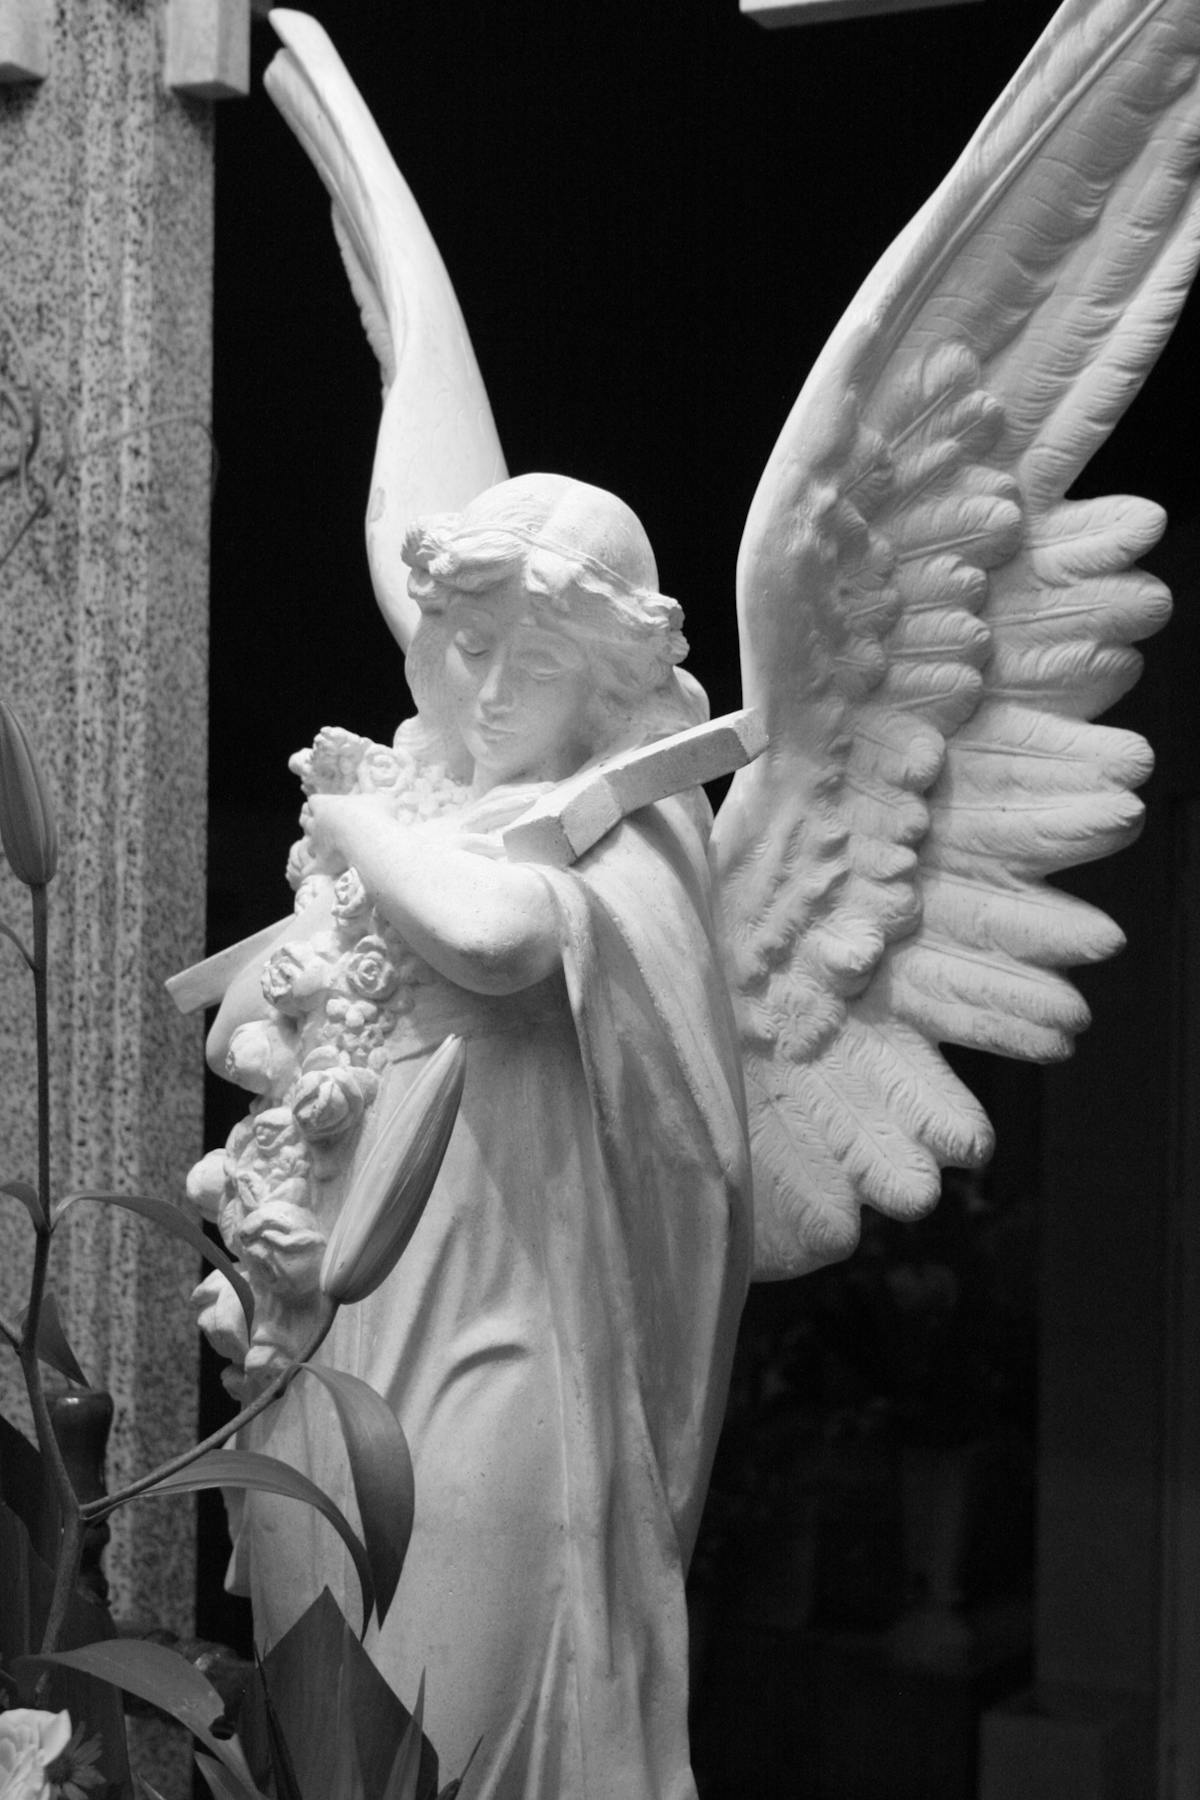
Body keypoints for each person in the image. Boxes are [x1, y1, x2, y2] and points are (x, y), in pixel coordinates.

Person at [201, 472, 753, 1800]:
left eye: (540, 663)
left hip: (502, 1308)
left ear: (607, 681)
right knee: (325, 1707)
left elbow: (497, 939)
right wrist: (364, 879)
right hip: (342, 1309)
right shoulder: (442, 824)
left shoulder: (629, 835)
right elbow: (234, 1028)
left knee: (456, 1701)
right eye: (470, 647)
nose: (494, 691)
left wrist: (354, 824)